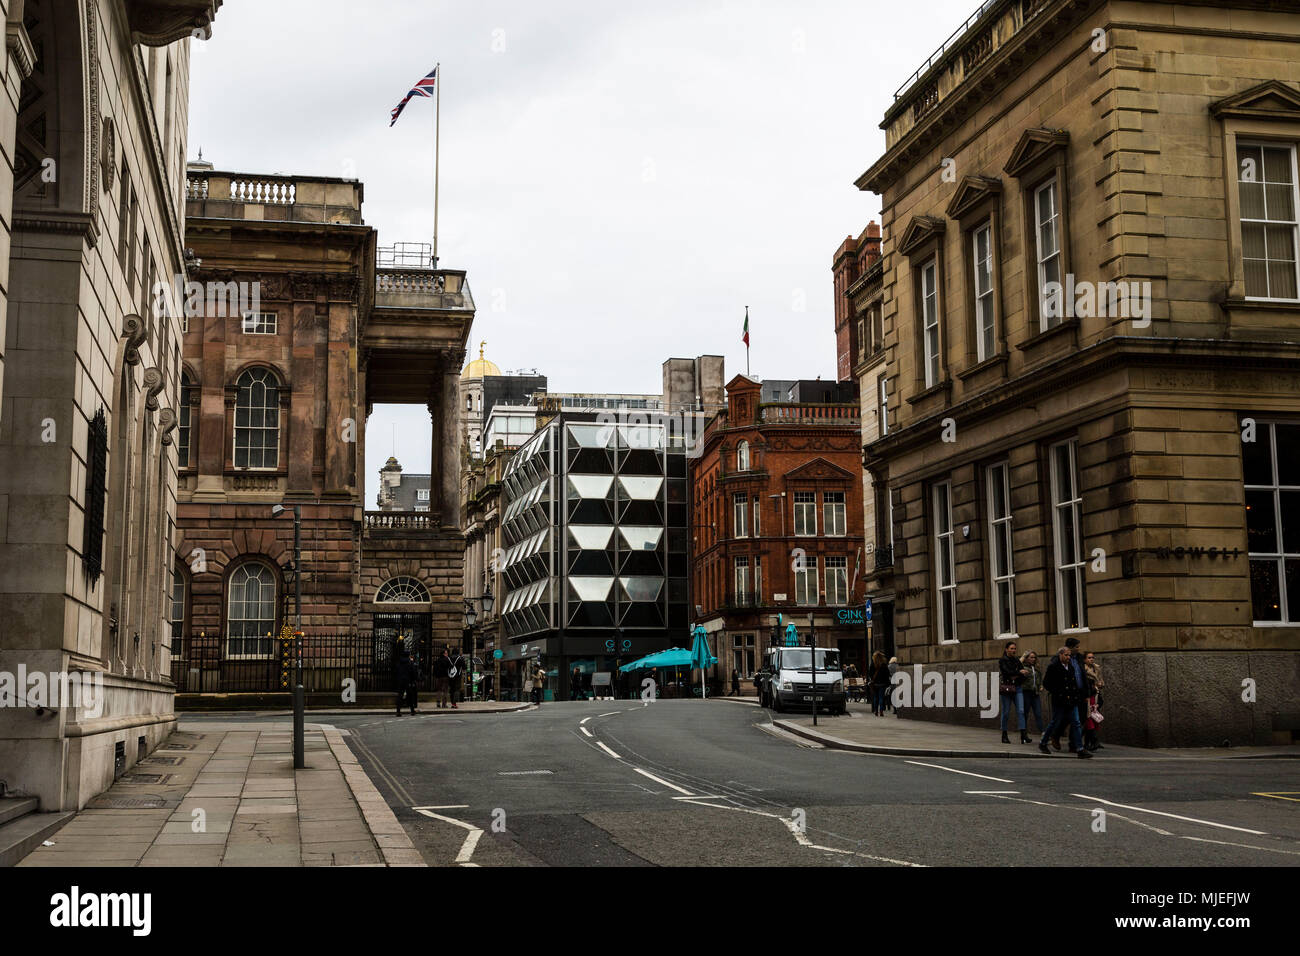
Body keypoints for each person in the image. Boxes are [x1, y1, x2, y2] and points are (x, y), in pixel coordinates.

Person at [1039, 646, 1091, 758]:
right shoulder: (1053, 667)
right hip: (1060, 700)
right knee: (1055, 722)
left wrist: (1078, 695)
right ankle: (1043, 743)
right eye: (1066, 655)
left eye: (1069, 655)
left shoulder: (1070, 667)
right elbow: (1046, 683)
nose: (1068, 657)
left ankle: (1080, 749)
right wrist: (1057, 692)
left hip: (1072, 700)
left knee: (1076, 723)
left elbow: (1073, 683)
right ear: (1060, 655)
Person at [998, 641, 1029, 744]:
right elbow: (1006, 672)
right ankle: (1004, 734)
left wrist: (1018, 674)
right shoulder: (1002, 660)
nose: (1013, 650)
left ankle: (1023, 735)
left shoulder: (1016, 660)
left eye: (1014, 648)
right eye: (1011, 648)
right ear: (1006, 649)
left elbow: (1023, 673)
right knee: (1006, 712)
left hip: (1017, 687)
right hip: (1007, 688)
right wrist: (1018, 672)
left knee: (1021, 710)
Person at [1083, 651, 1105, 751]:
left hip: (1096, 696)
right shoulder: (1084, 669)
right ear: (1084, 659)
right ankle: (1092, 741)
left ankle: (1091, 742)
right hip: (1088, 696)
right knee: (1089, 720)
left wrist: (1101, 684)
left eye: (1092, 657)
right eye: (1089, 657)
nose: (1091, 659)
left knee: (1095, 720)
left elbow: (1101, 680)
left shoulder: (1096, 668)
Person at [1019, 650, 1044, 735]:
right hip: (1026, 693)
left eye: (1034, 657)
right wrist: (1023, 656)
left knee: (1038, 714)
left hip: (1035, 694)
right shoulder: (1022, 667)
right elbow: (1015, 666)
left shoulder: (1036, 668)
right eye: (1031, 657)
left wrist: (1040, 685)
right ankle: (1024, 733)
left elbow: (1039, 678)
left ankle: (1042, 732)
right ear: (1026, 658)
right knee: (1025, 713)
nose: (1033, 659)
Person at [394, 640, 418, 717]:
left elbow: (396, 671)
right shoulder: (410, 663)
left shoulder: (399, 662)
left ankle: (398, 711)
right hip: (408, 681)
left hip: (400, 681)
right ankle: (412, 710)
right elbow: (413, 672)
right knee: (410, 696)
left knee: (400, 696)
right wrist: (414, 680)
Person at [869, 651, 890, 716]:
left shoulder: (872, 664)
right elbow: (887, 674)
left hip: (875, 684)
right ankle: (881, 711)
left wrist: (873, 679)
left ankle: (876, 711)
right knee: (881, 697)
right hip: (882, 684)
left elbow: (870, 674)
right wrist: (887, 682)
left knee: (876, 697)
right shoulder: (884, 665)